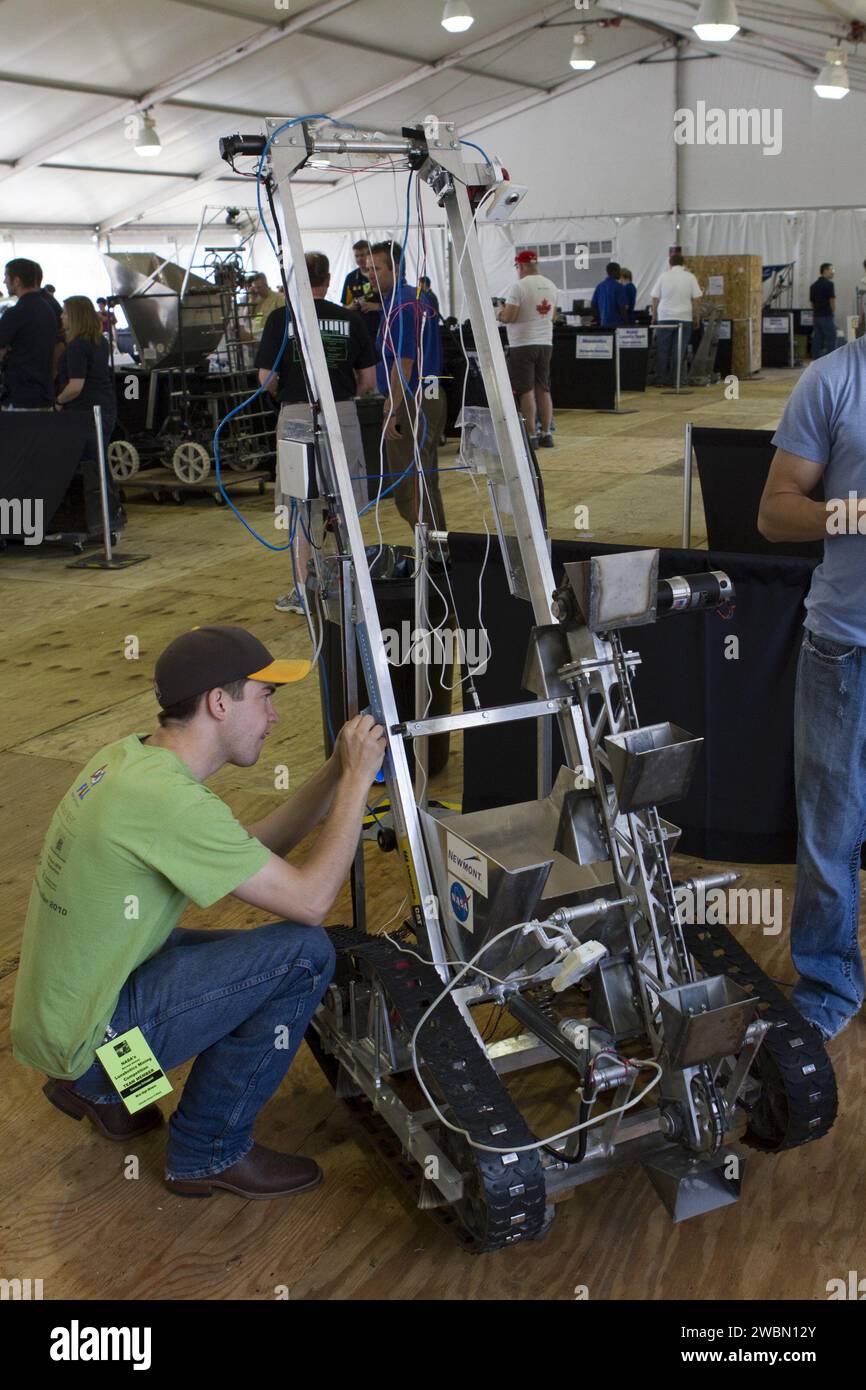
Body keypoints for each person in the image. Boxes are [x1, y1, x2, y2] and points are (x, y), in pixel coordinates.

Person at [11, 624, 387, 1199]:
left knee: (187, 949)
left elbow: (256, 851)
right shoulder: (168, 802)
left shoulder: (133, 761)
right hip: (92, 1040)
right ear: (219, 702)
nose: (274, 717)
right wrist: (361, 781)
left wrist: (337, 770)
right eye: (266, 698)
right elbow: (311, 903)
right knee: (305, 956)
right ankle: (207, 1149)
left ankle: (96, 1088)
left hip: (67, 1022)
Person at [757, 332, 866, 1041]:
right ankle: (827, 984)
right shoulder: (832, 381)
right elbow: (774, 511)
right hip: (844, 647)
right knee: (830, 829)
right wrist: (857, 513)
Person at [256, 252, 378, 615]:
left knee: (300, 505)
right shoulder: (350, 318)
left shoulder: (281, 318)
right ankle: (346, 584)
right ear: (327, 279)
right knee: (344, 501)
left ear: (296, 281)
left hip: (295, 412)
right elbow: (369, 381)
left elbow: (265, 377)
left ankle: (304, 593)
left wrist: (285, 394)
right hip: (340, 411)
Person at [368, 239, 447, 533]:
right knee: (424, 477)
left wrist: (391, 406)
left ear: (395, 268)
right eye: (367, 269)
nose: (370, 275)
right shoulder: (413, 298)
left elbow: (404, 362)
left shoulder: (401, 304)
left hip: (413, 398)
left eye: (376, 268)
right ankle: (437, 548)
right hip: (428, 393)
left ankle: (433, 549)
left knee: (407, 483)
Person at [55, 295, 121, 534]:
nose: (61, 316)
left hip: (86, 413)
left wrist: (57, 403)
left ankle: (102, 519)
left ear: (74, 316)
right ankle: (110, 515)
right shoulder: (99, 342)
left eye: (64, 313)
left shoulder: (76, 346)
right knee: (99, 464)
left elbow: (75, 386)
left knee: (92, 466)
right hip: (105, 409)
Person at [496, 248, 558, 448]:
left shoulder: (518, 287)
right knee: (544, 388)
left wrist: (499, 312)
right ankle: (547, 433)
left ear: (521, 266)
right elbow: (553, 317)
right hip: (545, 342)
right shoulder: (551, 285)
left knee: (526, 390)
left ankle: (531, 436)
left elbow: (510, 317)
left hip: (523, 343)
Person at [0, 258, 60, 408]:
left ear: (17, 281)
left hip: (20, 395)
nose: (4, 282)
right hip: (45, 393)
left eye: (6, 276)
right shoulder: (49, 308)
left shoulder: (16, 313)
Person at [650, 252, 702, 387]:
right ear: (683, 263)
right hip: (684, 318)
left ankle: (660, 380)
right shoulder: (690, 277)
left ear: (670, 263)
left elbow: (655, 298)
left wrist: (654, 316)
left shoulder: (663, 276)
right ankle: (676, 381)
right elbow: (696, 299)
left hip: (665, 317)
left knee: (662, 349)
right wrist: (696, 316)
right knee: (679, 349)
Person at [809, 263, 837, 360]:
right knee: (831, 338)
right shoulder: (829, 284)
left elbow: (812, 303)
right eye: (832, 270)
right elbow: (832, 301)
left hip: (816, 316)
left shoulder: (813, 286)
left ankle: (816, 360)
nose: (833, 272)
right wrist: (832, 313)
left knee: (817, 338)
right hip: (826, 315)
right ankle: (832, 360)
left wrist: (816, 312)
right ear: (825, 270)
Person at [590, 261, 628, 328]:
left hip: (603, 324)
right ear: (614, 271)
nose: (620, 273)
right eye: (619, 270)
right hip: (617, 324)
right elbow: (622, 307)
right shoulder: (619, 287)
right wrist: (626, 323)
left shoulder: (599, 286)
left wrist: (598, 320)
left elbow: (593, 305)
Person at [247, 273, 284, 338]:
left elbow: (283, 319)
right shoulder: (255, 299)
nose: (256, 291)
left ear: (266, 285)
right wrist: (252, 299)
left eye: (259, 287)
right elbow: (246, 316)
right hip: (256, 333)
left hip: (271, 334)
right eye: (254, 288)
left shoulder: (278, 297)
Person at [341, 240, 372, 307]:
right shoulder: (350, 277)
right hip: (356, 316)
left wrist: (377, 306)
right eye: (356, 256)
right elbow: (344, 306)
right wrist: (351, 307)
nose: (359, 259)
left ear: (370, 255)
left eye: (362, 255)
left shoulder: (379, 274)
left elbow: (391, 303)